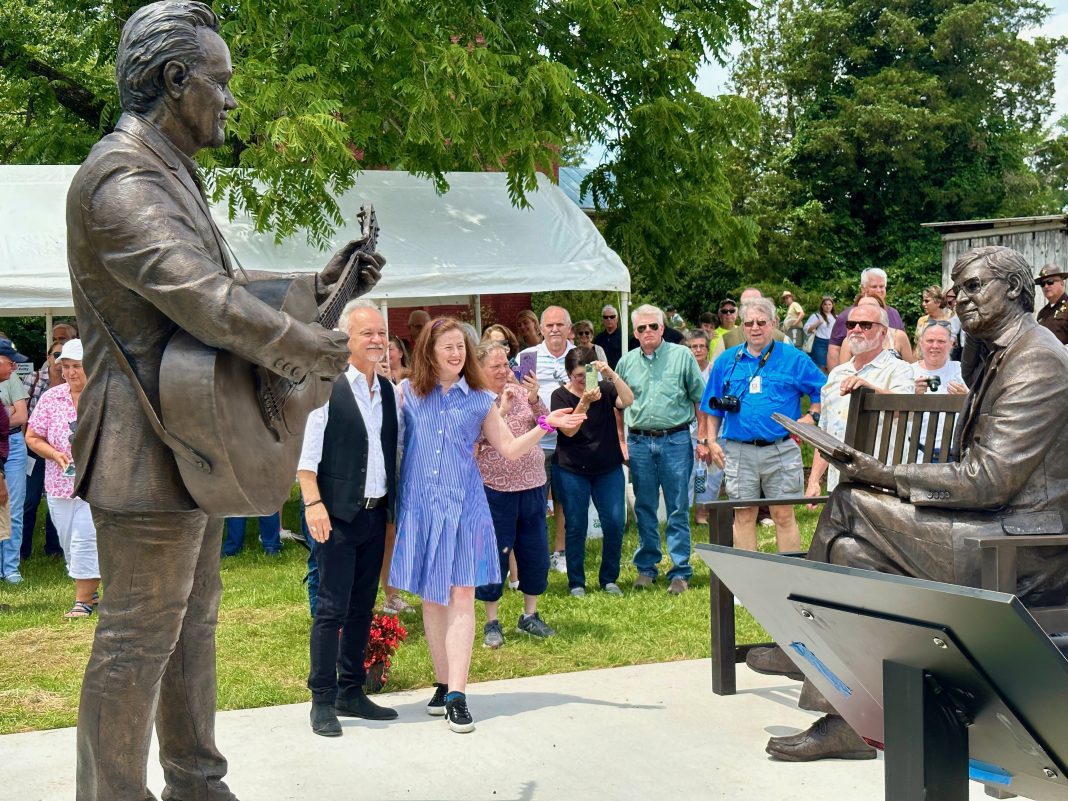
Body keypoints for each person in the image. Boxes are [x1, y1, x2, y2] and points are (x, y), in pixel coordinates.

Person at [65, 3, 384, 797]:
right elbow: (201, 296)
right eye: (221, 82)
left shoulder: (169, 172)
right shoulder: (120, 176)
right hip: (143, 447)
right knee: (137, 636)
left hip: (189, 441)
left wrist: (319, 289)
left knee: (191, 620)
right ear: (176, 81)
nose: (230, 101)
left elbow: (224, 286)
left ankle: (197, 780)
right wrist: (306, 344)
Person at [753, 244, 1068, 762]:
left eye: (974, 287)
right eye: (955, 290)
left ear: (1014, 289)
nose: (960, 300)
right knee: (853, 555)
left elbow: (990, 479)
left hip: (1027, 545)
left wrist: (885, 474)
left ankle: (804, 648)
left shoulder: (1037, 359)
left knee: (850, 500)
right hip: (992, 522)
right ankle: (849, 722)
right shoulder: (996, 351)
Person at [388, 318, 583, 733]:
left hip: (466, 509)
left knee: (461, 593)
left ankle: (458, 694)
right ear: (428, 352)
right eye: (449, 347)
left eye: (461, 347)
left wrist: (547, 425)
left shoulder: (478, 399)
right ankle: (441, 684)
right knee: (432, 598)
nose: (457, 354)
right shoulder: (406, 396)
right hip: (422, 510)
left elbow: (510, 449)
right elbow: (392, 448)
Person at [296, 301, 399, 737]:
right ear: (346, 341)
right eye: (366, 333)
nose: (377, 340)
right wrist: (313, 504)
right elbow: (305, 458)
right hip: (336, 516)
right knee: (331, 610)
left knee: (361, 608)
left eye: (380, 332)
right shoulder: (327, 386)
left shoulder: (389, 390)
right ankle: (322, 698)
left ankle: (351, 690)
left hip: (375, 516)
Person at [700, 298, 825, 553]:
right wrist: (711, 441)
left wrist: (813, 416)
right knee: (743, 515)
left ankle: (787, 583)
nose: (755, 328)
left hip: (780, 448)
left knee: (783, 515)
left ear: (773, 324)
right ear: (742, 326)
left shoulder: (793, 358)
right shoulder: (726, 360)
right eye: (749, 323)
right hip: (738, 450)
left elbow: (824, 389)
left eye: (761, 322)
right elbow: (712, 406)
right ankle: (747, 589)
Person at [615, 304, 707, 594]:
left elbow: (699, 400)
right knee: (644, 505)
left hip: (676, 439)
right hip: (639, 441)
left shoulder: (682, 357)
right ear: (635, 332)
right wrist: (620, 439)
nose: (647, 332)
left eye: (652, 326)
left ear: (662, 328)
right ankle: (646, 567)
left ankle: (680, 571)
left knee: (678, 505)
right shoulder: (626, 363)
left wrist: (702, 438)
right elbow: (615, 405)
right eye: (641, 328)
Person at [474, 342, 555, 648]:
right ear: (480, 369)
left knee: (534, 552)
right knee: (494, 557)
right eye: (496, 367)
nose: (504, 372)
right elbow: (470, 444)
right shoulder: (474, 399)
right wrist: (499, 410)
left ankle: (529, 616)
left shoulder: (520, 391)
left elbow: (547, 425)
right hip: (495, 490)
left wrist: (534, 400)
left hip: (533, 485)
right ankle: (491, 621)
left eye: (505, 365)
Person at [804, 304, 914, 499]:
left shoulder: (900, 369)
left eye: (865, 325)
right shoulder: (837, 373)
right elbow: (826, 431)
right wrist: (814, 480)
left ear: (883, 332)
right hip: (841, 480)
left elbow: (904, 409)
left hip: (883, 479)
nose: (855, 330)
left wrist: (869, 389)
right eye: (851, 324)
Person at [25, 339, 101, 619]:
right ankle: (91, 592)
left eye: (76, 366)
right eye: (66, 366)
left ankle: (82, 601)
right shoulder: (51, 397)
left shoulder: (103, 396)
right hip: (58, 484)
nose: (70, 372)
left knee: (85, 539)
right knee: (69, 541)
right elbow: (32, 437)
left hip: (96, 483)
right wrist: (55, 454)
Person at [551, 347, 633, 597]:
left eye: (585, 373)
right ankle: (577, 582)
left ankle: (609, 578)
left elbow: (628, 400)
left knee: (615, 523)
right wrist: (584, 402)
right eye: (576, 375)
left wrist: (611, 375)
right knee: (576, 524)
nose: (581, 379)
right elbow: (569, 431)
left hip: (607, 468)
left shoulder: (605, 389)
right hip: (572, 470)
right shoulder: (560, 396)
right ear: (568, 374)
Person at [517, 306, 576, 573]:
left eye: (559, 325)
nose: (554, 329)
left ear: (569, 328)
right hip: (537, 443)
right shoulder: (526, 357)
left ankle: (560, 553)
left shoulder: (579, 356)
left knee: (564, 502)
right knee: (536, 504)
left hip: (571, 442)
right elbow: (516, 399)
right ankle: (536, 555)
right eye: (549, 325)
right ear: (540, 329)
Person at [22, 322, 78, 560]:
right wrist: (52, 450)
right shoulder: (39, 383)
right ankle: (26, 551)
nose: (67, 369)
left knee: (82, 529)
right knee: (30, 500)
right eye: (58, 357)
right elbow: (26, 423)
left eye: (75, 365)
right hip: (39, 454)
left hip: (82, 472)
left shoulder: (97, 392)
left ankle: (56, 551)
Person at [909, 320, 968, 460]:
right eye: (930, 340)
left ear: (951, 344)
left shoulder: (961, 370)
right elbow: (895, 416)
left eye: (941, 341)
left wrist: (965, 399)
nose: (935, 346)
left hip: (956, 455)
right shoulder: (908, 372)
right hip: (917, 453)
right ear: (921, 343)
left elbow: (980, 410)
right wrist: (910, 397)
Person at [826, 267, 906, 370]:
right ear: (863, 289)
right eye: (874, 286)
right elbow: (834, 350)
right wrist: (836, 380)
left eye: (882, 286)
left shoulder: (894, 314)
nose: (879, 290)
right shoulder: (847, 316)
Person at [0, 337, 29, 584]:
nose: (14, 367)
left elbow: (21, 416)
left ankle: (10, 567)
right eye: (10, 362)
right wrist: (7, 411)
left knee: (14, 507)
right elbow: (13, 413)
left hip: (14, 445)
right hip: (5, 441)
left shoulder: (12, 379)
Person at [686, 330, 722, 525]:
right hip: (688, 431)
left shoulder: (715, 370)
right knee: (689, 474)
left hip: (716, 430)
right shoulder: (683, 370)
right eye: (694, 346)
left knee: (713, 474)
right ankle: (685, 513)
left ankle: (703, 514)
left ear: (708, 349)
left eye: (702, 346)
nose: (698, 349)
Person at [836, 295, 913, 362]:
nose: (865, 310)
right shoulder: (849, 341)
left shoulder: (898, 336)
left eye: (871, 306)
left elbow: (911, 371)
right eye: (861, 307)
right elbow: (844, 373)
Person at [912, 284, 951, 354]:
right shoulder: (922, 321)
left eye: (927, 301)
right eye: (923, 301)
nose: (923, 304)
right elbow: (916, 346)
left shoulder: (949, 322)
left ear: (938, 302)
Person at [1035, 264, 1068, 345]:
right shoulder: (1042, 313)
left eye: (1050, 282)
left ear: (1061, 283)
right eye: (1042, 284)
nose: (1046, 286)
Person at [803, 296, 836, 373]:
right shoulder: (816, 316)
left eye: (829, 304)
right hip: (820, 342)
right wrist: (817, 323)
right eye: (825, 304)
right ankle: (822, 383)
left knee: (831, 364)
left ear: (832, 305)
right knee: (821, 365)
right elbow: (806, 329)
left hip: (832, 342)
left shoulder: (835, 317)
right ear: (822, 306)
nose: (827, 306)